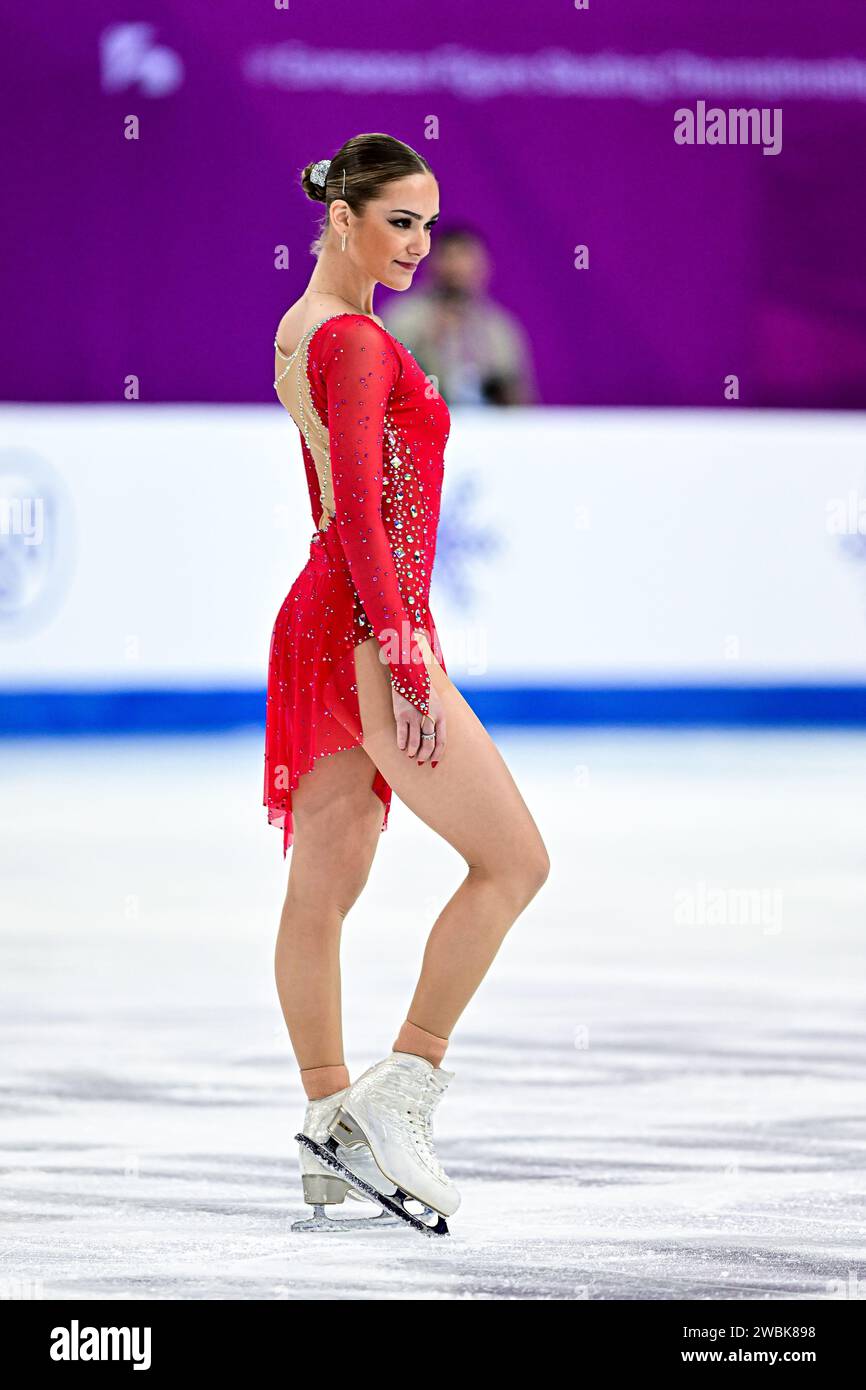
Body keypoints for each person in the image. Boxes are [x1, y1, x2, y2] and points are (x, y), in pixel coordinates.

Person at [266, 132, 549, 1233]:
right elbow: (362, 519)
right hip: (363, 624)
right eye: (398, 221)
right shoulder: (356, 344)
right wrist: (400, 646)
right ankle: (402, 1091)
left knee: (324, 884)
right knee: (515, 860)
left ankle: (327, 1118)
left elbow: (341, 510)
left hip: (319, 618)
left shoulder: (303, 327)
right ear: (343, 217)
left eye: (428, 223)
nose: (418, 243)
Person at [382, 225, 539, 405]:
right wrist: (428, 343)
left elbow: (521, 402)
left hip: (488, 428)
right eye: (449, 257)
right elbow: (383, 382)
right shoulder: (405, 316)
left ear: (484, 267)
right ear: (430, 264)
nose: (456, 267)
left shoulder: (498, 328)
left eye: (465, 257)